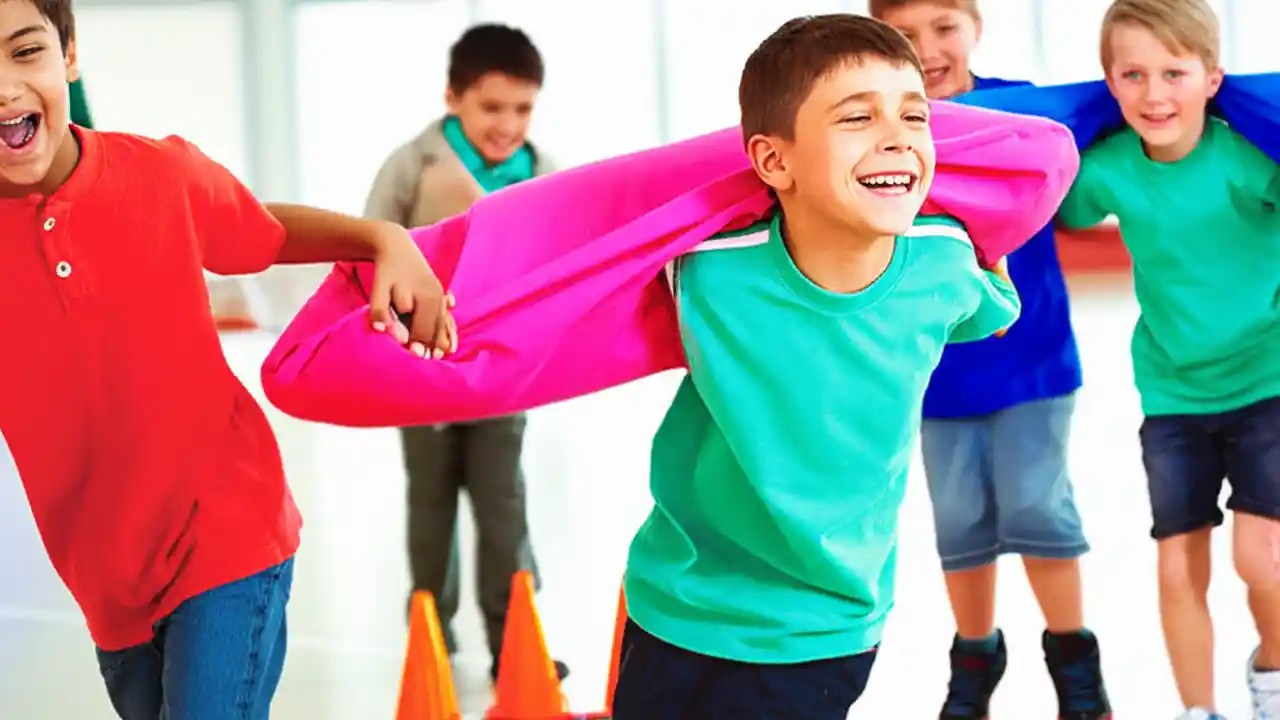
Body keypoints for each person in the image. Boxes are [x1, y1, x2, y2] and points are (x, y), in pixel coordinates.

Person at [0, 1, 454, 718]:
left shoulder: (161, 175)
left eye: (25, 52)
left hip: (226, 530)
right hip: (106, 577)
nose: (5, 84)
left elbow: (264, 234)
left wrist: (381, 238)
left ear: (70, 56)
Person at [609, 14, 1022, 718]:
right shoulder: (706, 267)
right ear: (774, 162)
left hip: (820, 625)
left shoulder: (943, 263)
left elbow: (996, 304)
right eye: (857, 117)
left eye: (914, 116)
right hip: (677, 600)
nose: (896, 136)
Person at [870, 2, 1110, 718]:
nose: (929, 50)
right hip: (935, 371)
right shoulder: (881, 132)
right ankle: (975, 657)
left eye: (944, 28)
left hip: (1031, 361)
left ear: (975, 26)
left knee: (1039, 505)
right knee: (961, 520)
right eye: (905, 38)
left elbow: (1114, 112)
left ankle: (1076, 664)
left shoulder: (1023, 116)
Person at [1056, 2, 1280, 718]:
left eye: (1174, 73)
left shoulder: (1240, 160)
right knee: (1178, 561)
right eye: (1134, 75)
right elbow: (1059, 201)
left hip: (1268, 378)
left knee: (1261, 562)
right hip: (1173, 394)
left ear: (1211, 79)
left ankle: (1272, 671)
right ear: (1110, 84)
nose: (1155, 95)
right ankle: (1197, 710)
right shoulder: (1113, 170)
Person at [362, 23, 566, 681]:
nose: (508, 125)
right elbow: (367, 250)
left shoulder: (542, 174)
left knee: (503, 499)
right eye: (491, 107)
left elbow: (558, 265)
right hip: (418, 372)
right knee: (431, 501)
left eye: (522, 108)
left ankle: (515, 644)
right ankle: (432, 641)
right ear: (453, 98)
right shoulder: (411, 164)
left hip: (504, 374)